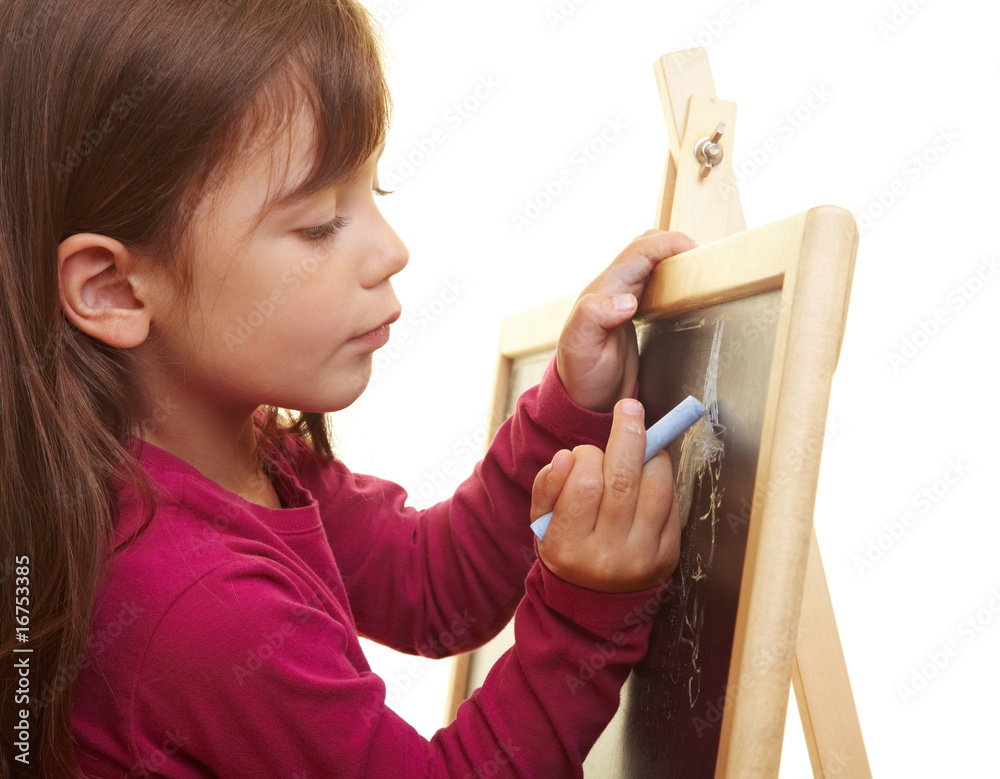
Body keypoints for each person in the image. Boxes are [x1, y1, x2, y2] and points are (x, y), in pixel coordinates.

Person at [0, 0, 697, 775]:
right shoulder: (196, 605)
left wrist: (571, 402)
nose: (391, 250)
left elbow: (435, 585)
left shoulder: (247, 450)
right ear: (116, 290)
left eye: (375, 197)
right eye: (322, 223)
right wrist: (587, 619)